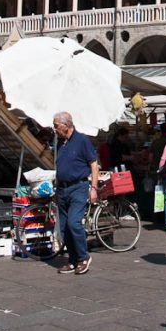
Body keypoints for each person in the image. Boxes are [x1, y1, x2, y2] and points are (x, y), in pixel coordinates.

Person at [53, 111, 99, 275]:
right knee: (64, 227)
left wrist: (93, 188)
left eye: (56, 126)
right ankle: (72, 260)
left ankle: (83, 257)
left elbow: (94, 164)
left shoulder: (82, 140)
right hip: (62, 189)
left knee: (73, 223)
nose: (54, 129)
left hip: (78, 187)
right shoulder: (60, 143)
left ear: (66, 125)